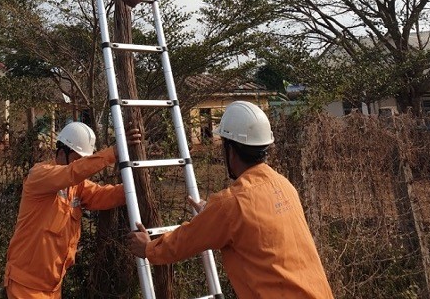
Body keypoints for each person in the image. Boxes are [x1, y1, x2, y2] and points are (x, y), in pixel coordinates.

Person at [126, 101, 334, 299]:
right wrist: (212, 212)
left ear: (230, 150)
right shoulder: (283, 185)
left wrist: (148, 248)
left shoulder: (232, 203)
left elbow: (185, 240)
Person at [5, 120, 141, 299]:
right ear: (62, 153)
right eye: (78, 160)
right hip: (26, 286)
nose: (82, 166)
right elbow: (72, 172)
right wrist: (113, 153)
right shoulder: (40, 176)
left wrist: (134, 188)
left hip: (53, 288)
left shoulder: (77, 187)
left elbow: (102, 196)